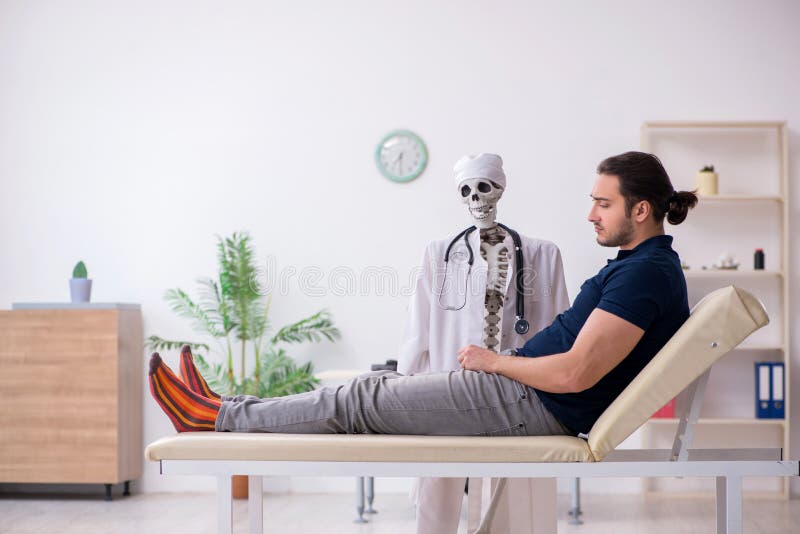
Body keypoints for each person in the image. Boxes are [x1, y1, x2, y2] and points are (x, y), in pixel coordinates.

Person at [149, 151, 697, 457]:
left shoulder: (645, 275)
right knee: (365, 389)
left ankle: (214, 415)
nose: (591, 215)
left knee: (358, 403)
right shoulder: (641, 268)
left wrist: (495, 360)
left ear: (642, 209)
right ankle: (223, 407)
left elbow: (578, 372)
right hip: (521, 393)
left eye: (603, 204)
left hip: (527, 403)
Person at [397, 153, 569, 534]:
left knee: (520, 498)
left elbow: (562, 334)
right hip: (449, 387)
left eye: (483, 188)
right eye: (467, 191)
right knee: (437, 495)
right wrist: (403, 390)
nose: (476, 199)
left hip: (519, 392)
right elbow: (416, 331)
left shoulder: (543, 254)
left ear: (500, 190)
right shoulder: (438, 253)